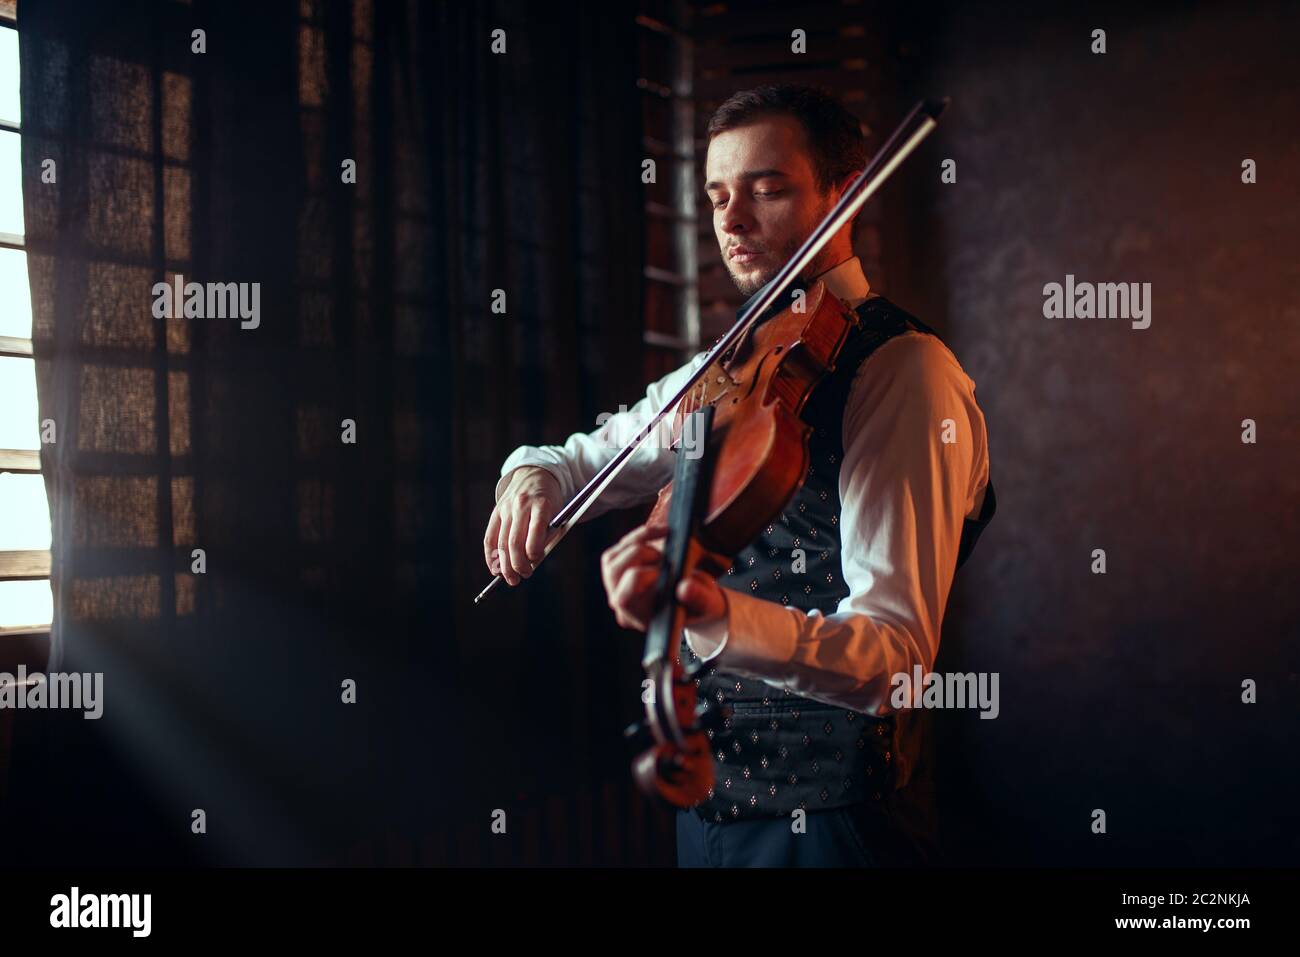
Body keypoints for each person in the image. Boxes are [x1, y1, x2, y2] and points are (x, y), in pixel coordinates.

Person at [484, 84, 996, 867]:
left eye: (767, 189)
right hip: (706, 800)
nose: (731, 220)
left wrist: (715, 612)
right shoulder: (728, 367)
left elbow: (895, 659)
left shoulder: (906, 373)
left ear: (845, 193)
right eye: (718, 196)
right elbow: (584, 455)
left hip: (836, 820)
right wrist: (530, 481)